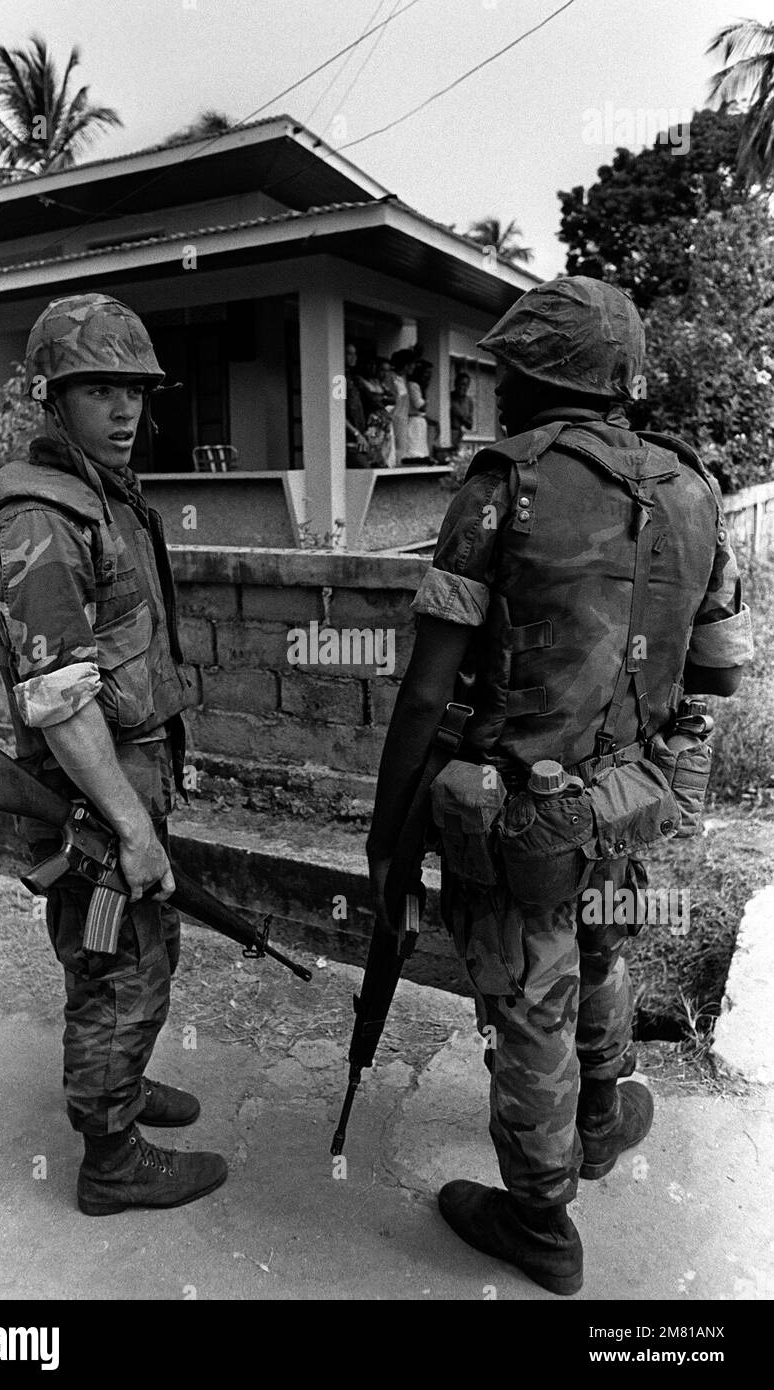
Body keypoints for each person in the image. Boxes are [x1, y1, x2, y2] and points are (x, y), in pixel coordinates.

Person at [365, 276, 753, 1295]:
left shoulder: (503, 484)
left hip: (519, 810)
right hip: (634, 794)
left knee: (530, 994)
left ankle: (538, 1218)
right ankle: (598, 1114)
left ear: (537, 376)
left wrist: (385, 829)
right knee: (600, 946)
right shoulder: (694, 488)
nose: (496, 392)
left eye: (506, 373)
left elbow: (427, 689)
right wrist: (655, 754)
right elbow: (718, 668)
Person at [0, 292, 228, 1215]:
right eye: (99, 391)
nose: (125, 412)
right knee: (117, 962)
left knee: (139, 945)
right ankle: (110, 1157)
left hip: (126, 772)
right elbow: (58, 700)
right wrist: (130, 826)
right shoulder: (39, 516)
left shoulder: (99, 495)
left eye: (134, 391)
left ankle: (124, 1082)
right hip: (92, 784)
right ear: (50, 398)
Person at [344, 341, 371, 467]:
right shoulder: (339, 379)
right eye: (349, 354)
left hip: (360, 435)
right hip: (349, 438)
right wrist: (355, 433)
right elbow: (337, 412)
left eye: (355, 354)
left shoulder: (354, 378)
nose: (353, 357)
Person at [450, 371, 474, 449]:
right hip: (446, 433)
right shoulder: (449, 397)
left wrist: (460, 415)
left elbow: (470, 425)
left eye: (465, 385)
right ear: (455, 384)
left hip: (458, 435)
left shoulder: (469, 401)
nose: (462, 387)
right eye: (460, 384)